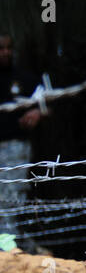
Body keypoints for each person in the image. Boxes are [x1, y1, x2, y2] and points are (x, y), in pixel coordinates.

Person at [0, 33, 44, 252]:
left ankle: (7, 250)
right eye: (1, 48)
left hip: (14, 149)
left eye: (9, 47)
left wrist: (38, 111)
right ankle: (26, 248)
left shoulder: (23, 78)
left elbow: (45, 100)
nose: (6, 52)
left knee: (9, 201)